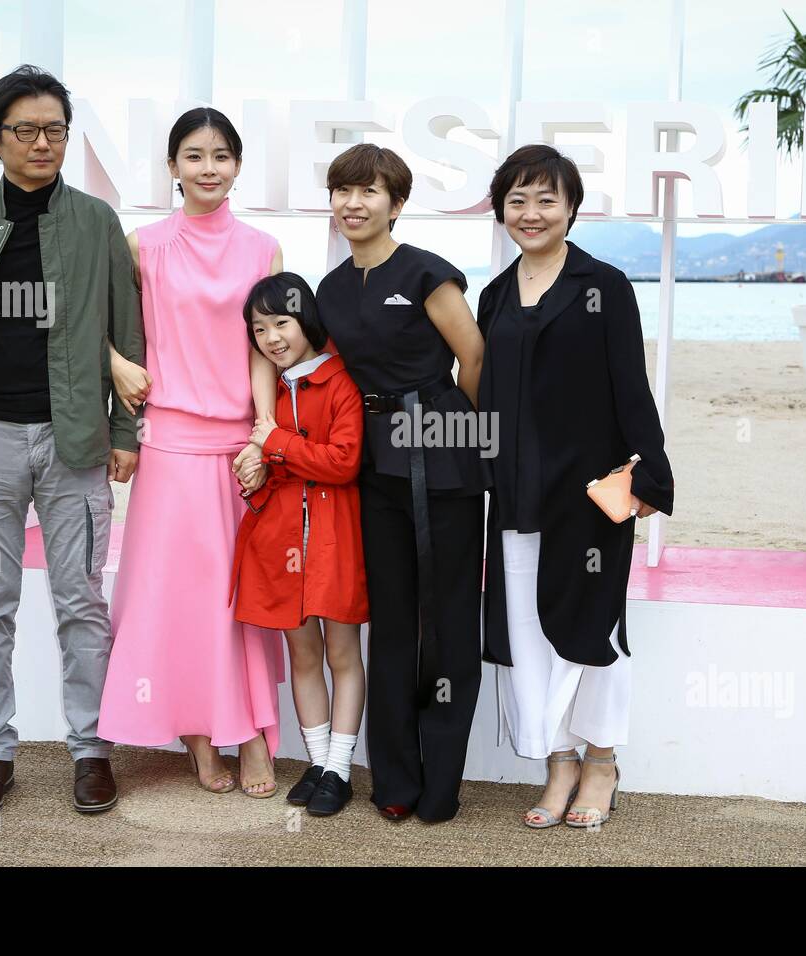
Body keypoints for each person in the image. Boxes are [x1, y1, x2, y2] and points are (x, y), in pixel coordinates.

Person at [0, 64, 143, 816]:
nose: (44, 143)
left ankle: (91, 749)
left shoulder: (97, 221)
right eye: (27, 130)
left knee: (81, 600)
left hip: (74, 441)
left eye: (56, 130)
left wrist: (124, 429)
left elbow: (125, 331)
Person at [477, 144, 675, 828]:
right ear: (501, 208)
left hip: (588, 493)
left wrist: (648, 472)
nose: (531, 214)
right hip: (514, 494)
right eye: (517, 200)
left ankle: (601, 762)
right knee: (529, 631)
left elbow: (632, 387)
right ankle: (556, 762)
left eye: (546, 199)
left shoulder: (605, 285)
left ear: (571, 208)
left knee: (594, 629)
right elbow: (484, 399)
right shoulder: (495, 294)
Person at [97, 107, 285, 797]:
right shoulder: (142, 244)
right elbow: (95, 322)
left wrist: (265, 433)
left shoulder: (263, 249)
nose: (210, 168)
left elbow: (265, 348)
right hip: (169, 446)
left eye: (222, 156)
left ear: (237, 165)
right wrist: (115, 365)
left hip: (237, 448)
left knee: (244, 601)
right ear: (172, 166)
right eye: (195, 156)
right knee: (179, 600)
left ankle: (257, 737)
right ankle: (201, 741)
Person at [316, 144, 488, 823]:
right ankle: (394, 778)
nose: (353, 203)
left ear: (396, 202)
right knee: (390, 622)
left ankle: (441, 785)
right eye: (343, 191)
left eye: (368, 191)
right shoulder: (330, 290)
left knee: (446, 623)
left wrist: (455, 433)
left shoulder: (425, 273)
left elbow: (472, 356)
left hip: (440, 456)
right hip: (372, 463)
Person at [230, 273, 368, 817]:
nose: (271, 337)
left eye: (281, 322)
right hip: (282, 542)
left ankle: (340, 766)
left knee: (342, 654)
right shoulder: (271, 393)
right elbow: (266, 461)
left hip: (334, 542)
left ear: (305, 320)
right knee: (303, 654)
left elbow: (343, 462)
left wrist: (276, 444)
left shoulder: (339, 382)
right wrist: (254, 462)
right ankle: (316, 763)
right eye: (259, 328)